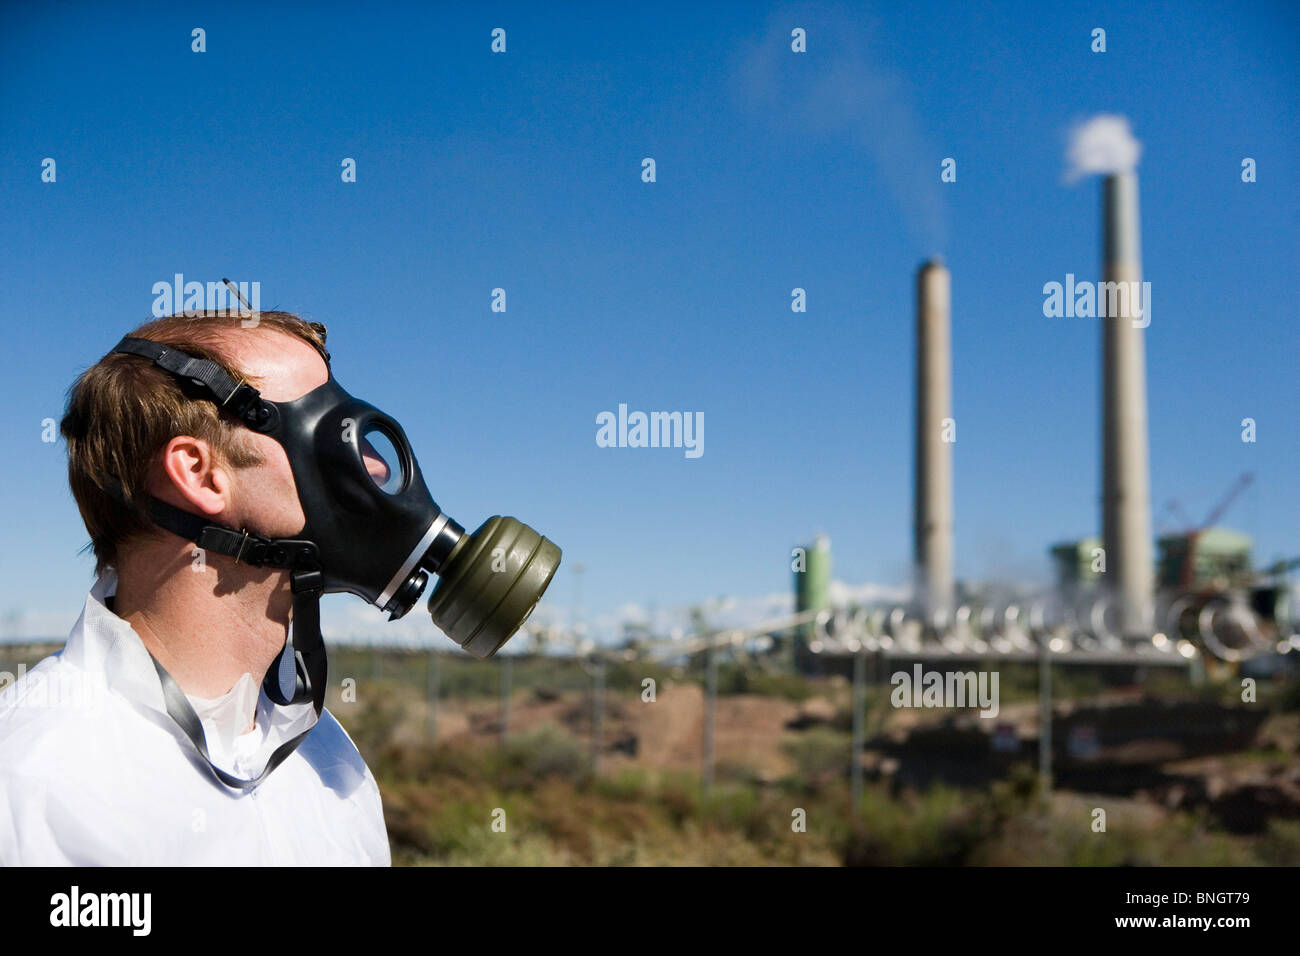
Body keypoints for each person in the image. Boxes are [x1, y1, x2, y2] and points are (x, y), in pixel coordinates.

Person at [0, 311, 391, 865]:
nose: (373, 468)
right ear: (201, 474)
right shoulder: (34, 784)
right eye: (324, 431)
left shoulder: (327, 755)